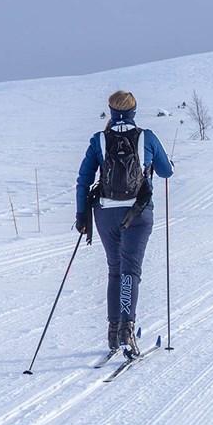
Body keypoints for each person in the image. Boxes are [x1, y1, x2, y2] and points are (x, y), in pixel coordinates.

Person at [75, 90, 174, 358]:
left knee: (115, 270)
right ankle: (127, 330)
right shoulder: (146, 137)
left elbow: (83, 179)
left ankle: (113, 332)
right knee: (131, 270)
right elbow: (166, 171)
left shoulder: (99, 140)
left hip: (105, 212)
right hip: (138, 212)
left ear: (110, 110)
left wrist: (81, 215)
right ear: (133, 111)